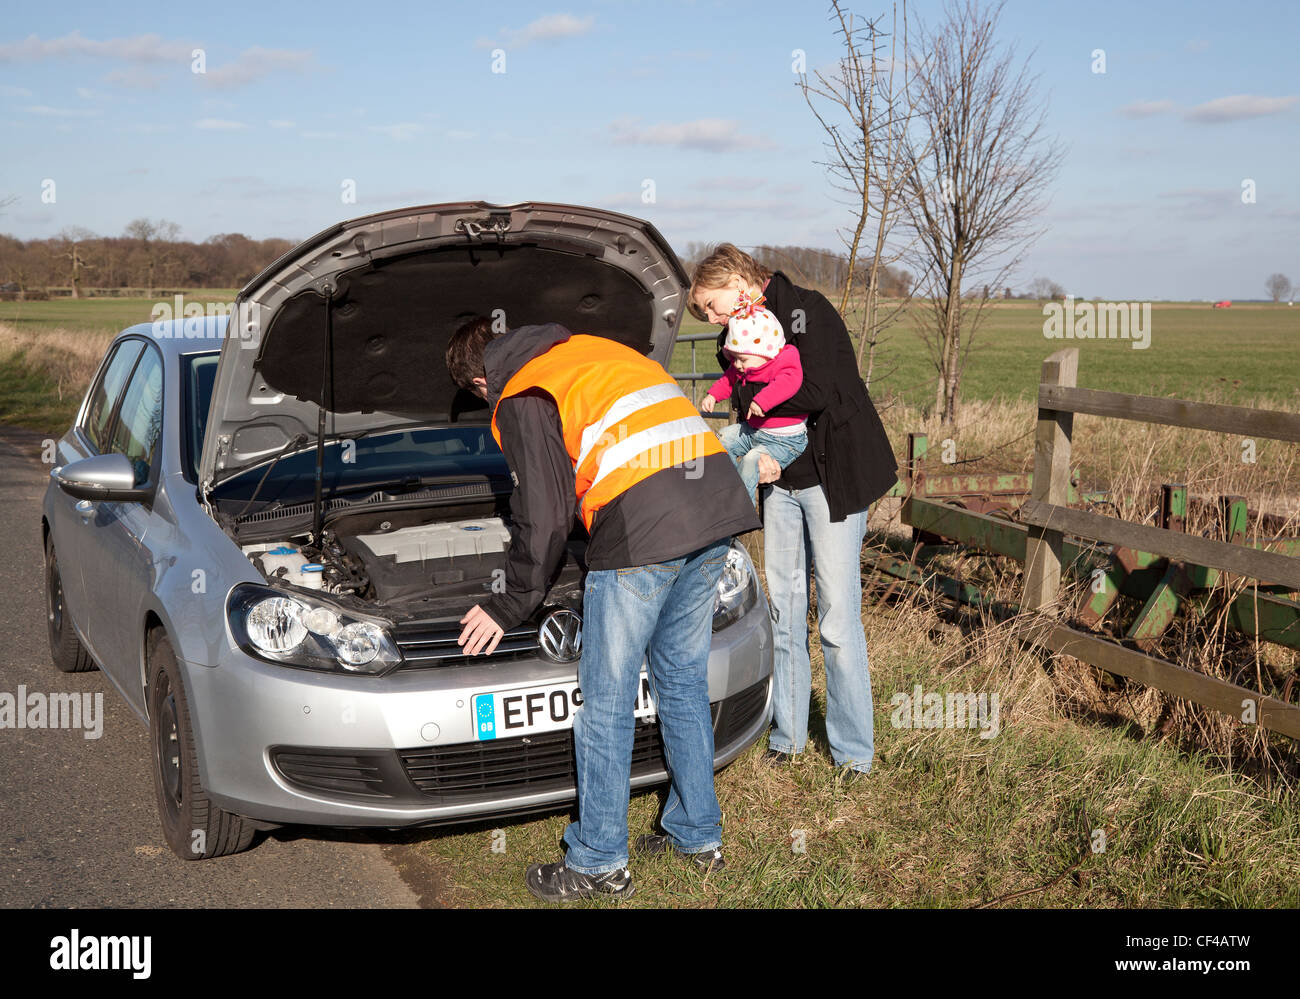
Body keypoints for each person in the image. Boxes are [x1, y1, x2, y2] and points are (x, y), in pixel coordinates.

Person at [446, 317, 760, 902]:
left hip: (644, 529)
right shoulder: (590, 351)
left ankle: (597, 862)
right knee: (683, 682)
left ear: (481, 382)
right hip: (716, 511)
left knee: (607, 699)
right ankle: (698, 837)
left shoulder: (520, 390)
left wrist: (509, 604)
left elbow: (544, 513)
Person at [688, 244, 898, 776]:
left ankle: (853, 753)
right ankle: (787, 736)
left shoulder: (808, 310)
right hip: (777, 483)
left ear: (738, 281)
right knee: (783, 609)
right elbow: (743, 396)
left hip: (833, 480)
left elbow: (825, 388)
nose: (713, 320)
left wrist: (763, 413)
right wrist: (761, 453)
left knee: (836, 616)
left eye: (713, 306)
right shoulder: (734, 336)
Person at [701, 289, 808, 502]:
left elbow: (790, 381)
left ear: (764, 352)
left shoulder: (784, 361)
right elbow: (729, 379)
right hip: (753, 430)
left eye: (742, 359)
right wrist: (713, 395)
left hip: (785, 439)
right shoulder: (743, 365)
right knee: (721, 439)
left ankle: (742, 510)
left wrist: (763, 401)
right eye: (735, 359)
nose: (738, 365)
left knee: (751, 461)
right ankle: (727, 489)